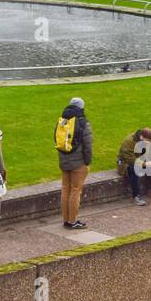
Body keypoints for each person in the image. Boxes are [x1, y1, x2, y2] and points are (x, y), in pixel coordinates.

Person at [56, 98, 93, 229]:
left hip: (64, 160)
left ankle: (66, 220)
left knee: (65, 189)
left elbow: (58, 141)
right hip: (78, 163)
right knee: (76, 191)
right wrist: (87, 162)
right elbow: (88, 145)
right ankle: (72, 221)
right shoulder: (83, 122)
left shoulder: (62, 120)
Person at [118, 128, 151, 205]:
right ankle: (135, 196)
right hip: (126, 163)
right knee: (133, 169)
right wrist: (145, 164)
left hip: (140, 160)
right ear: (141, 137)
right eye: (146, 141)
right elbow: (129, 158)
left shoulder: (146, 141)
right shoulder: (128, 141)